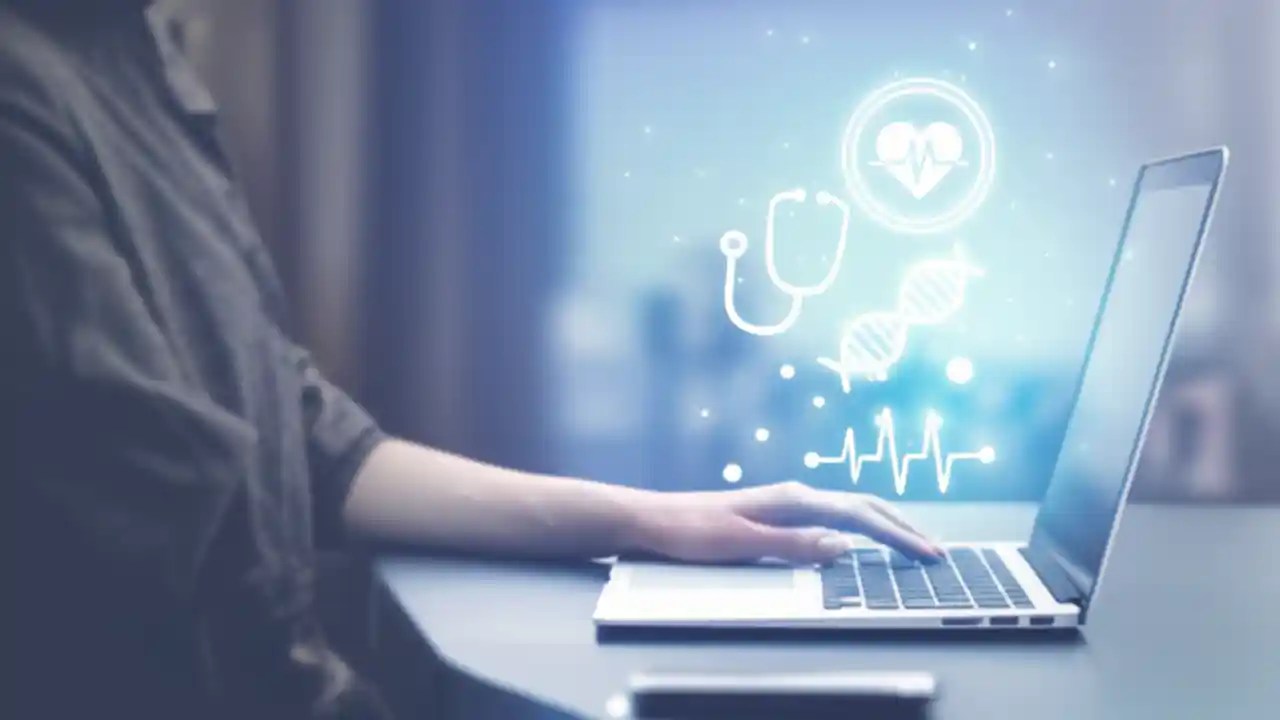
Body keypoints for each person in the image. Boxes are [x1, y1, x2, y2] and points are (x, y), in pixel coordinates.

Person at [1, 1, 942, 718]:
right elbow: (177, 557)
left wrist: (655, 520)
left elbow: (301, 437)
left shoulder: (135, 56)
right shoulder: (25, 92)